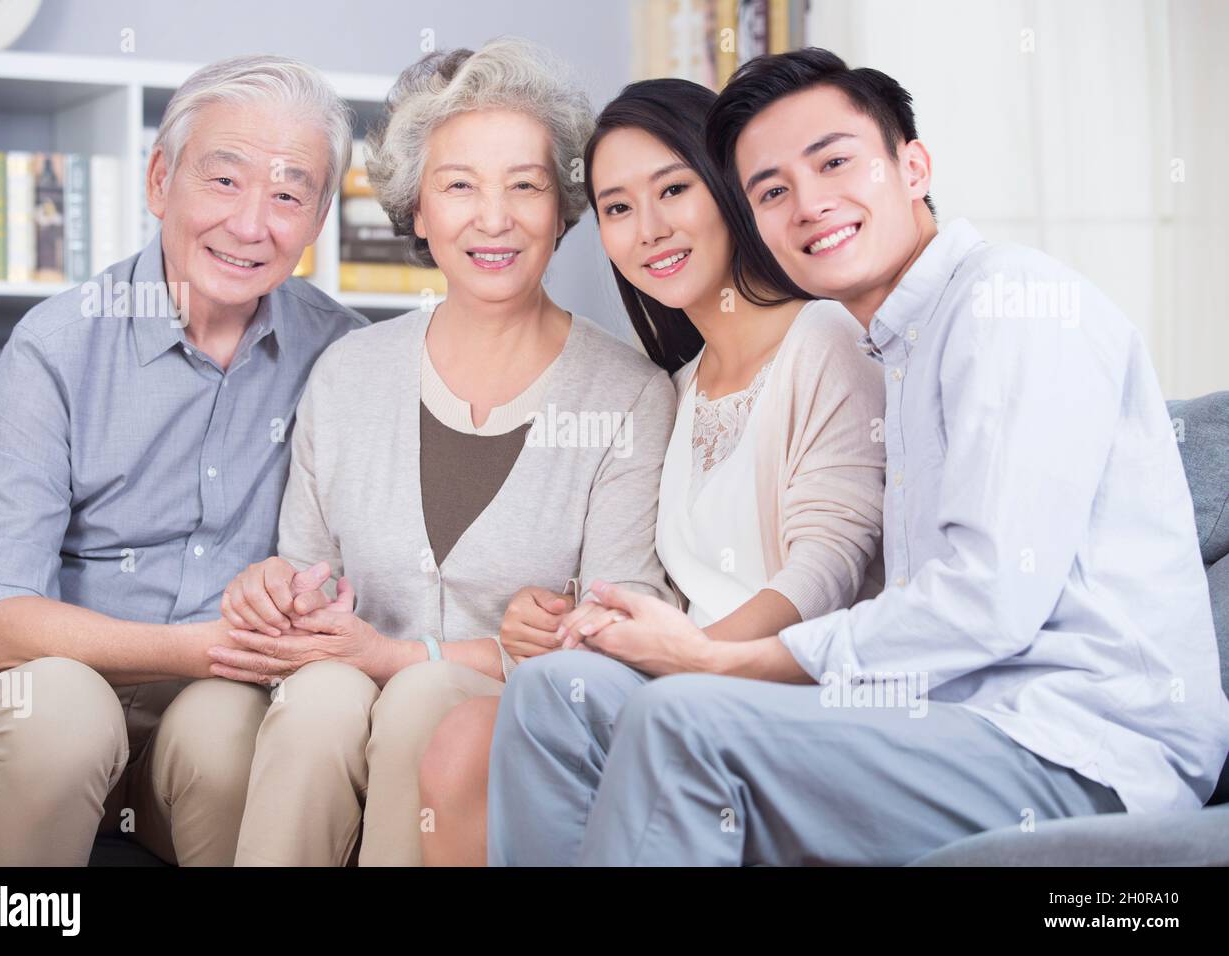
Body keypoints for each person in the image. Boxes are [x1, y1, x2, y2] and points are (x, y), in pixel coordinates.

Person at [486, 47, 1229, 866]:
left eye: (835, 161)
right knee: (554, 695)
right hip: (942, 718)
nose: (809, 206)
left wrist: (720, 660)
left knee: (681, 722)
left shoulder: (1010, 309)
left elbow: (986, 600)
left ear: (913, 165)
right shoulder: (896, 347)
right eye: (773, 191)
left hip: (1075, 744)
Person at [214, 37, 676, 867]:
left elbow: (615, 638)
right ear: (417, 211)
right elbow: (308, 577)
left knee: (425, 692)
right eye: (459, 186)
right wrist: (280, 595)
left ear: (563, 208)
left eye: (524, 187)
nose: (492, 218)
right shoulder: (348, 374)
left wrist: (406, 656)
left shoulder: (630, 395)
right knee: (316, 699)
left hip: (502, 728)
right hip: (339, 696)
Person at [418, 77, 885, 866]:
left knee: (537, 700)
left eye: (675, 188)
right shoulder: (674, 387)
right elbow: (665, 585)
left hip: (785, 684)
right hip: (681, 682)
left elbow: (827, 572)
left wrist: (688, 658)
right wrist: (569, 612)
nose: (651, 229)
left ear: (732, 188)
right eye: (618, 208)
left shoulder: (824, 339)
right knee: (474, 727)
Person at [0, 54, 365, 865]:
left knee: (230, 729)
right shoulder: (56, 345)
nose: (250, 225)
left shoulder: (346, 358)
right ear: (160, 179)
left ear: (318, 218)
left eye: (287, 195)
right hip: (23, 690)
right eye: (224, 181)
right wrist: (203, 647)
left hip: (214, 703)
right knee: (63, 712)